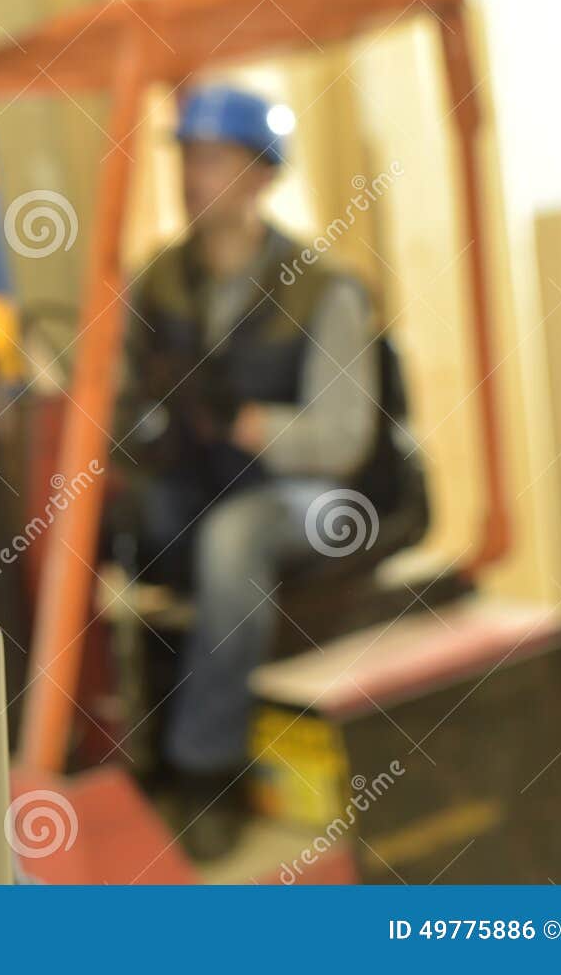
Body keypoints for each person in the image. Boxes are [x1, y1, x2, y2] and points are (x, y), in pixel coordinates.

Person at [106, 85, 398, 861]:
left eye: (214, 161)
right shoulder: (157, 281)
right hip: (203, 482)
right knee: (109, 519)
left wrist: (248, 422)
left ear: (262, 175)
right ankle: (117, 744)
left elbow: (342, 437)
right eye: (187, 159)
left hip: (309, 497)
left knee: (234, 537)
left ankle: (206, 769)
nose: (192, 177)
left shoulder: (324, 289)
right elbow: (122, 404)